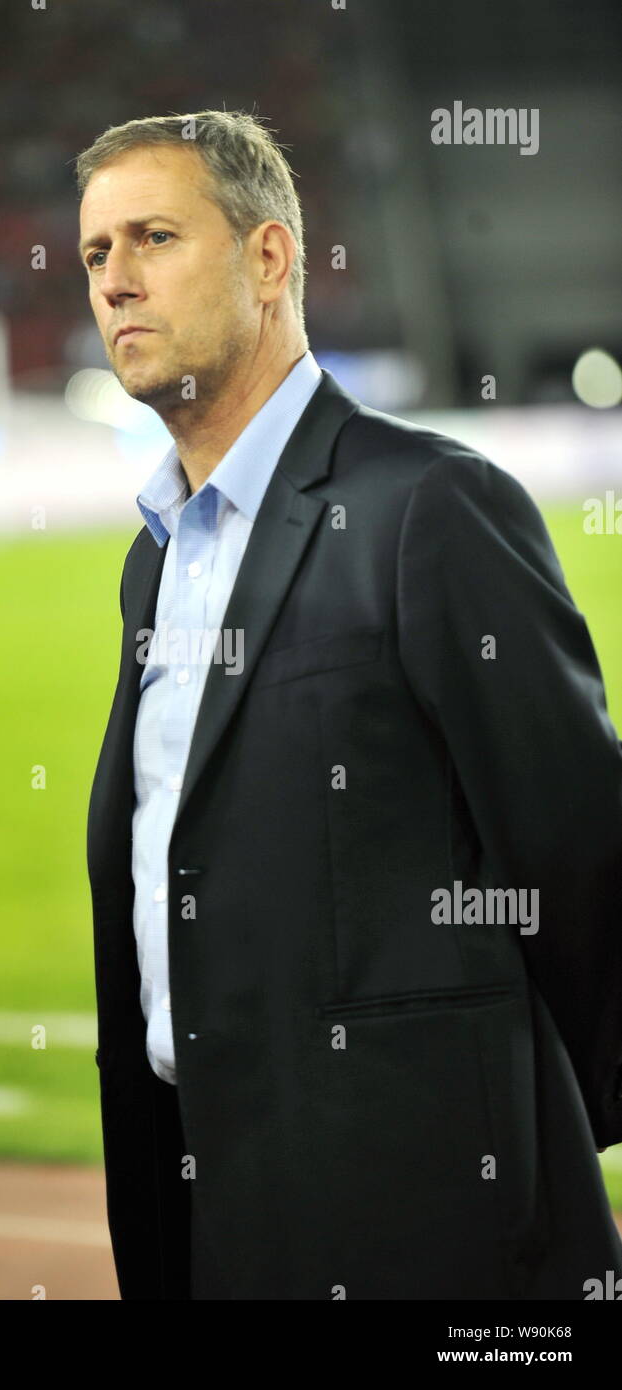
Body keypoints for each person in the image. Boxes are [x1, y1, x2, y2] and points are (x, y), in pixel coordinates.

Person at [77, 109, 622, 1300]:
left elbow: (578, 850)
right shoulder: (153, 561)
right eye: (94, 254)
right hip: (210, 1209)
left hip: (423, 1228)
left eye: (152, 237)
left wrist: (519, 1148)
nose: (114, 279)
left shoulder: (428, 505)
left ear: (270, 259)